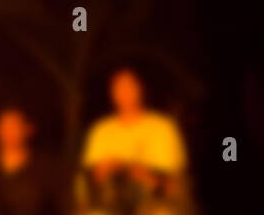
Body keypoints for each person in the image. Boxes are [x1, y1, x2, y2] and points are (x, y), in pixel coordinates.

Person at [80, 68, 188, 201]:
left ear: (140, 89)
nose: (125, 93)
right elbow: (92, 175)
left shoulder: (163, 127)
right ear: (112, 93)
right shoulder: (100, 130)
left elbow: (173, 179)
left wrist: (134, 171)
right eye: (119, 87)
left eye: (129, 86)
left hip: (156, 206)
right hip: (111, 205)